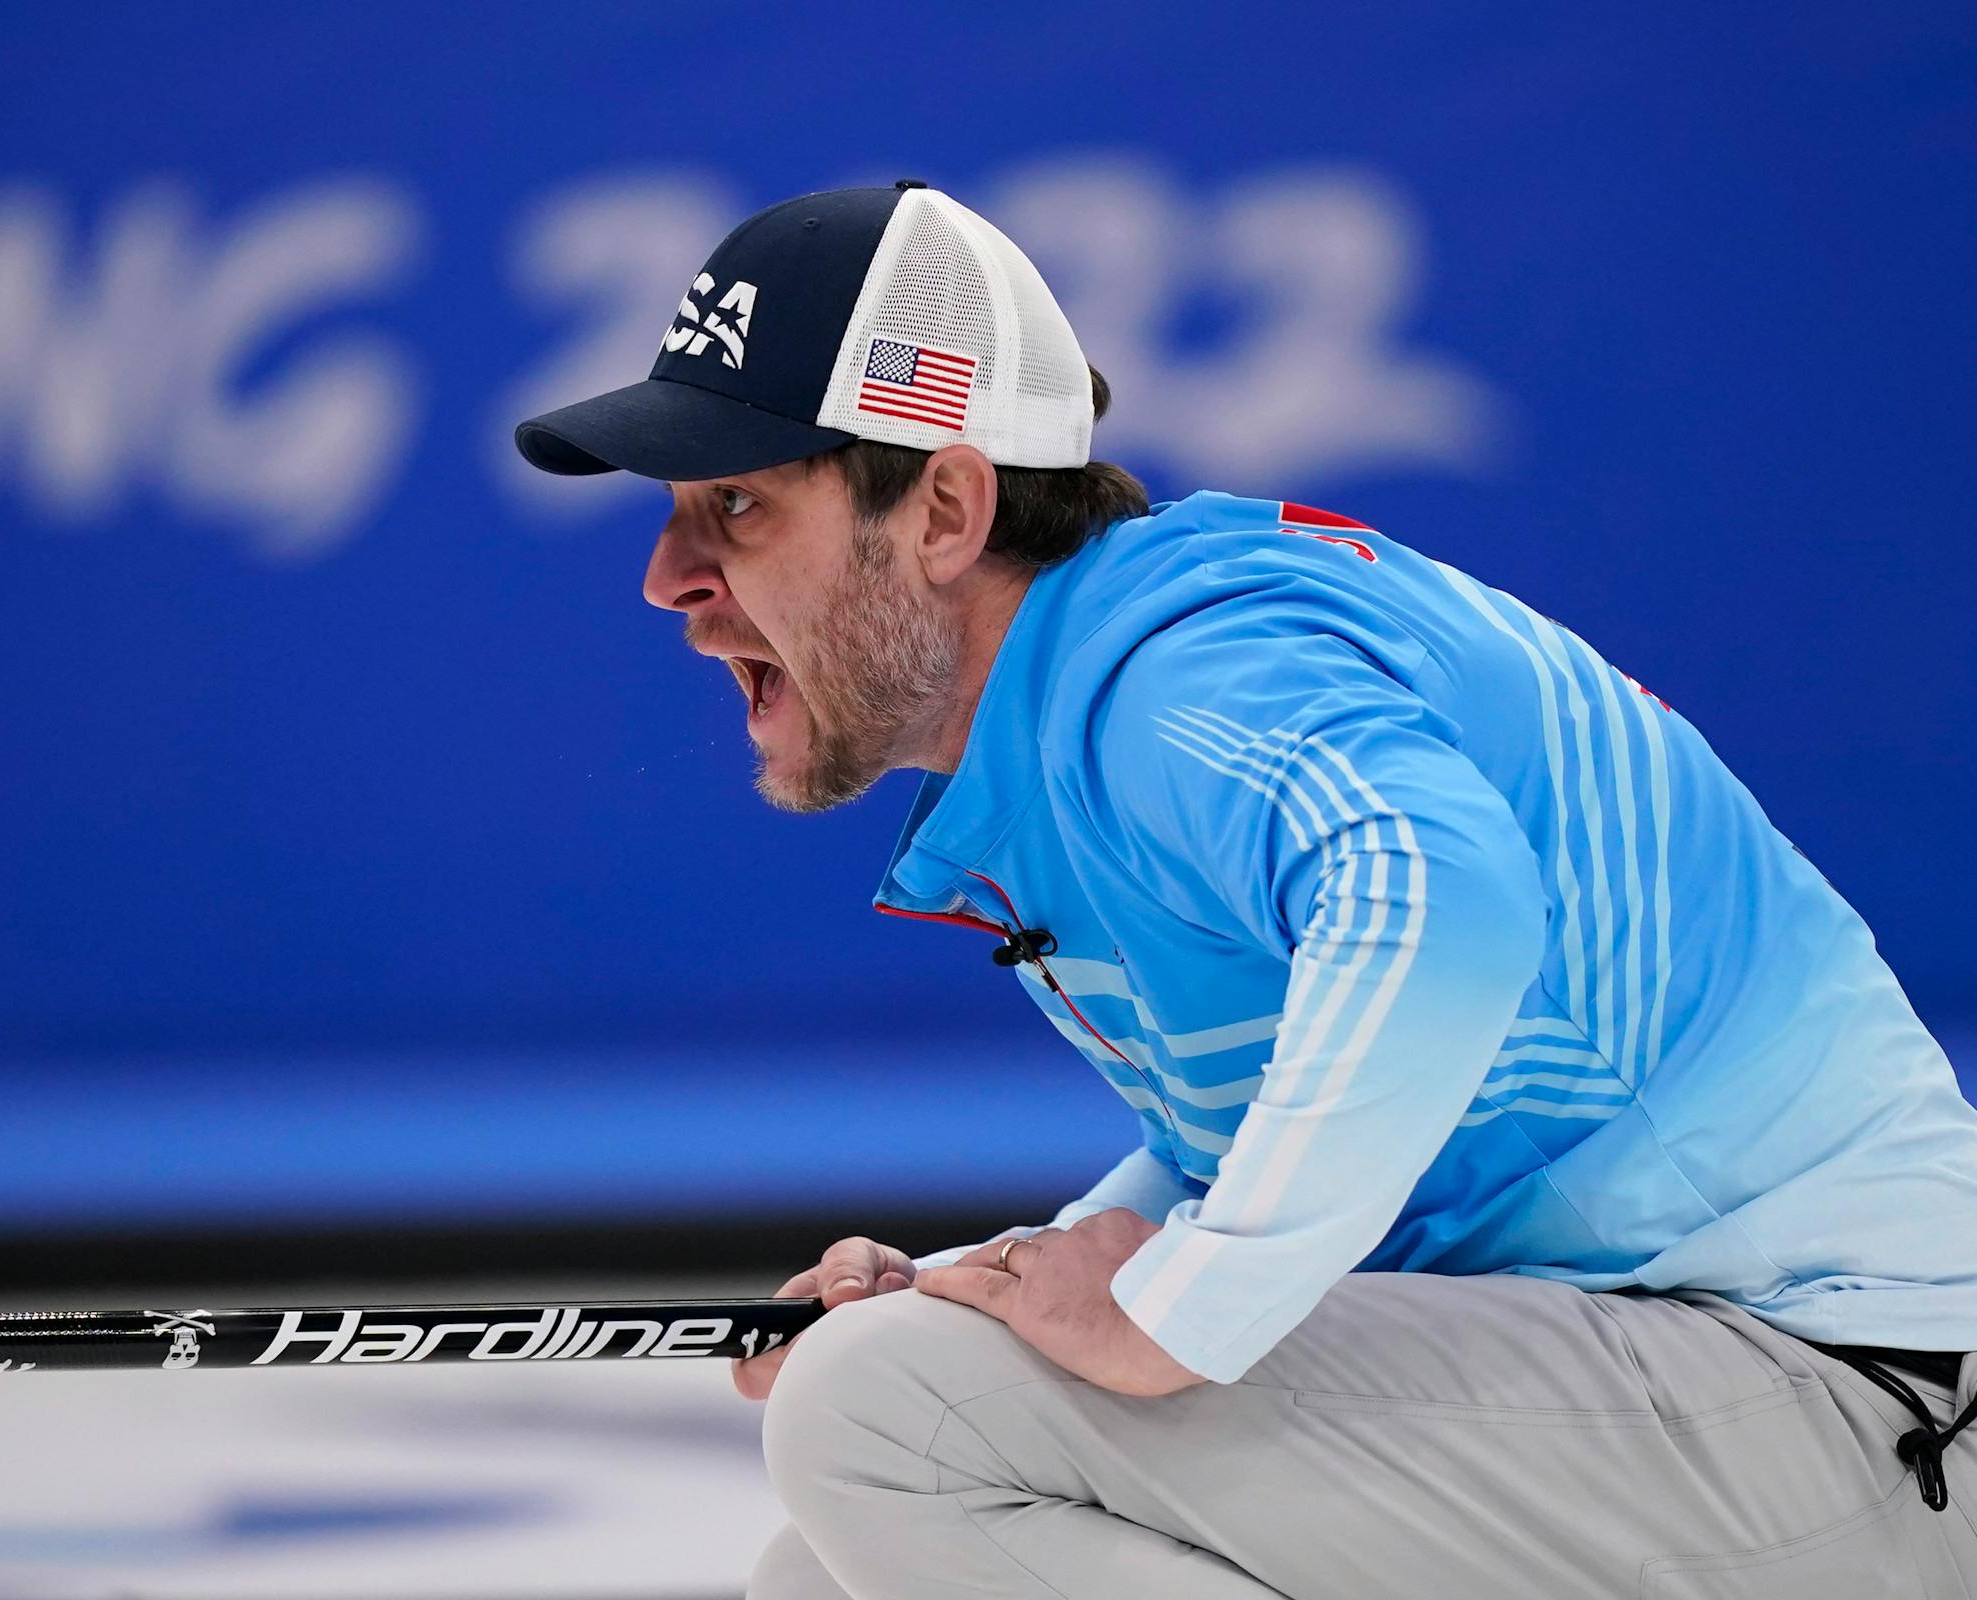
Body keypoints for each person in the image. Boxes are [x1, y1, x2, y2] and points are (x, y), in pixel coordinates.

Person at [514, 181, 1977, 1598]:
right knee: (832, 1563)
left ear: (944, 508)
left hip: (1857, 1403)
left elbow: (1446, 900)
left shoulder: (1178, 676)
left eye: (736, 506)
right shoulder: (1099, 704)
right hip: (1712, 1395)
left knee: (884, 1423)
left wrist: (1176, 1306)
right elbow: (1318, 1138)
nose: (667, 576)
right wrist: (972, 1286)